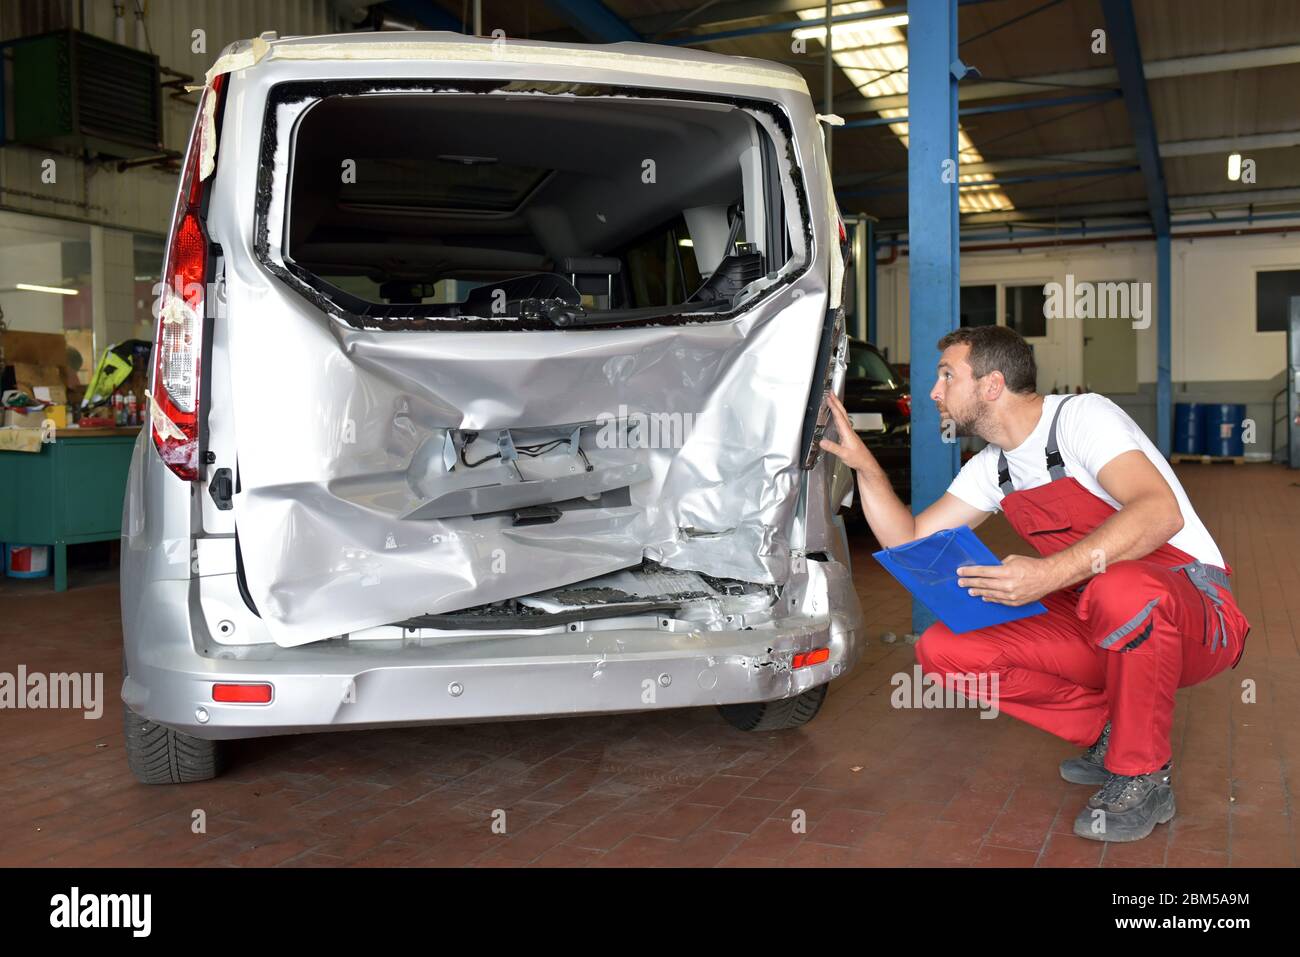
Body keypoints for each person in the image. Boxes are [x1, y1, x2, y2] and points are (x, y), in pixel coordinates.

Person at [818, 325, 1249, 842]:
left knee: (1122, 588)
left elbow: (1159, 514)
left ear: (992, 384)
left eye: (947, 376)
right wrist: (864, 466)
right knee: (944, 650)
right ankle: (1116, 728)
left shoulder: (1082, 419)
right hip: (1102, 618)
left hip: (1196, 612)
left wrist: (1046, 575)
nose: (934, 391)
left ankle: (1143, 775)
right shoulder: (991, 468)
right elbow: (910, 539)